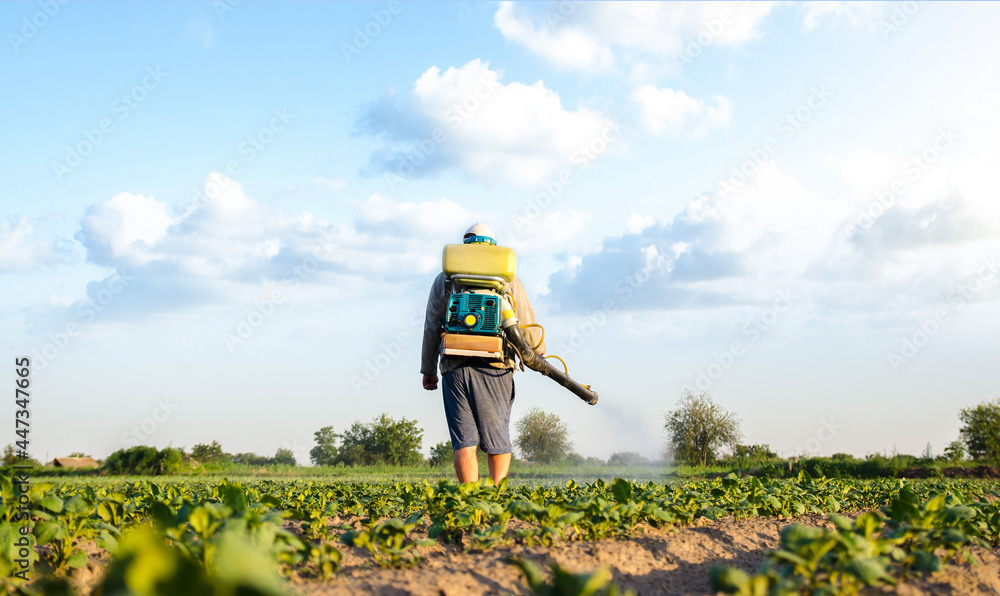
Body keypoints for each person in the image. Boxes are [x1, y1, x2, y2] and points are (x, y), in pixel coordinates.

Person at [420, 223, 544, 484]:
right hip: (496, 366)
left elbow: (432, 326)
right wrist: (538, 355)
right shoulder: (508, 278)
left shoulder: (445, 279)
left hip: (455, 366)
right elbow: (528, 327)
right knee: (497, 438)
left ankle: (469, 499)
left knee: (464, 441)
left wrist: (429, 370)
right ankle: (495, 495)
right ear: (493, 246)